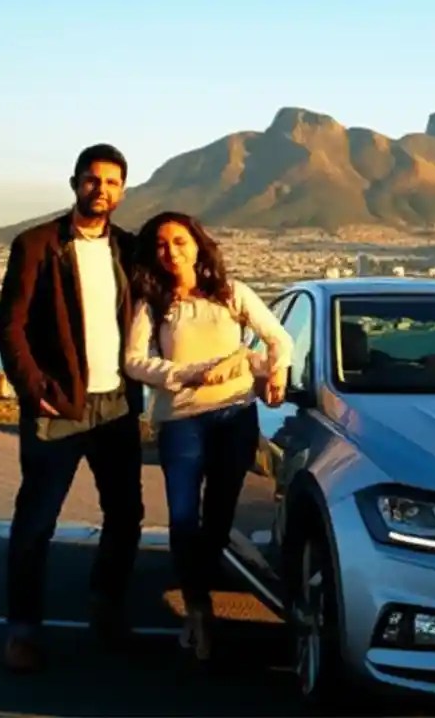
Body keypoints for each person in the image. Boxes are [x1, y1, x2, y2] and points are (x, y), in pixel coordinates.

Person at [0, 144, 147, 673]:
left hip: (117, 407)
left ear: (122, 190)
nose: (100, 190)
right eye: (91, 180)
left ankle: (106, 607)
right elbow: (10, 324)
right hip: (57, 406)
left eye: (111, 182)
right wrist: (31, 384)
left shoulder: (128, 249)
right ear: (75, 183)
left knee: (126, 515)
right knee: (36, 520)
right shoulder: (37, 245)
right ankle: (23, 630)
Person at [124, 211, 292, 662]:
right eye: (161, 244)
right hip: (182, 421)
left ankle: (201, 595)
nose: (171, 251)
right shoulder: (152, 303)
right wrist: (191, 374)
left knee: (217, 518)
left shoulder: (232, 294)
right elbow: (135, 362)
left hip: (235, 416)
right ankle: (198, 609)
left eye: (180, 241)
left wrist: (274, 368)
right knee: (183, 518)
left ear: (198, 245)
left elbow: (278, 339)